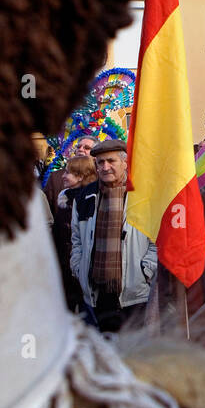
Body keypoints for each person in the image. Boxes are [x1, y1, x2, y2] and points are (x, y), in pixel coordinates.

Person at [69, 139, 157, 333]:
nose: (105, 167)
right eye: (100, 162)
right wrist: (78, 266)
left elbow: (157, 239)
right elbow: (76, 238)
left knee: (133, 353)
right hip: (96, 292)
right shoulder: (84, 196)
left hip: (134, 291)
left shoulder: (143, 194)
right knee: (105, 350)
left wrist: (147, 270)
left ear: (125, 163)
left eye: (111, 161)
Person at [53, 155, 97, 313]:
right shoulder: (64, 199)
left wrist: (78, 266)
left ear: (80, 176)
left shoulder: (89, 200)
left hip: (84, 271)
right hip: (65, 267)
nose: (63, 176)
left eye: (68, 173)